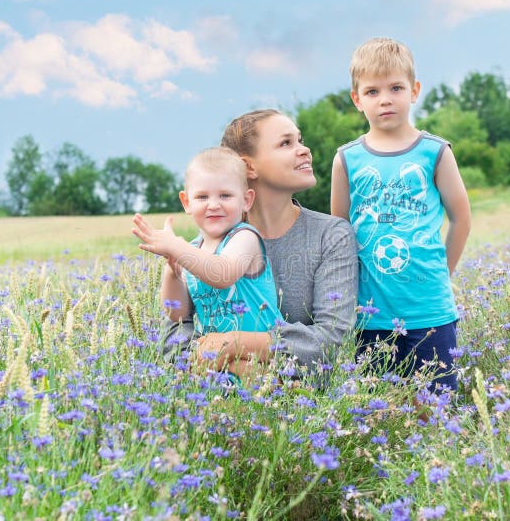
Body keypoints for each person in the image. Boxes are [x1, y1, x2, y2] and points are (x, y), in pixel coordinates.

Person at [148, 109, 359, 382]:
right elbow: (173, 339)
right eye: (286, 143)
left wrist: (235, 343)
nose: (305, 150)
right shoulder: (199, 252)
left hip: (303, 407)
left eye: (300, 140)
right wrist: (240, 371)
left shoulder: (330, 235)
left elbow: (329, 341)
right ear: (248, 166)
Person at [330, 37, 471, 392]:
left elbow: (461, 218)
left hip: (430, 310)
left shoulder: (434, 152)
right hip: (372, 315)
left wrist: (443, 272)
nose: (385, 99)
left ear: (414, 90)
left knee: (437, 407)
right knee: (382, 411)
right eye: (373, 91)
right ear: (357, 99)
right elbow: (341, 233)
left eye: (395, 87)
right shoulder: (347, 159)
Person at [132, 148, 284, 380]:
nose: (213, 204)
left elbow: (222, 274)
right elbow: (177, 313)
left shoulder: (244, 237)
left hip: (257, 356)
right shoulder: (192, 251)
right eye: (202, 197)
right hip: (215, 361)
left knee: (255, 392)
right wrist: (172, 272)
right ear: (187, 202)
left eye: (225, 196)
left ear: (246, 200)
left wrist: (177, 248)